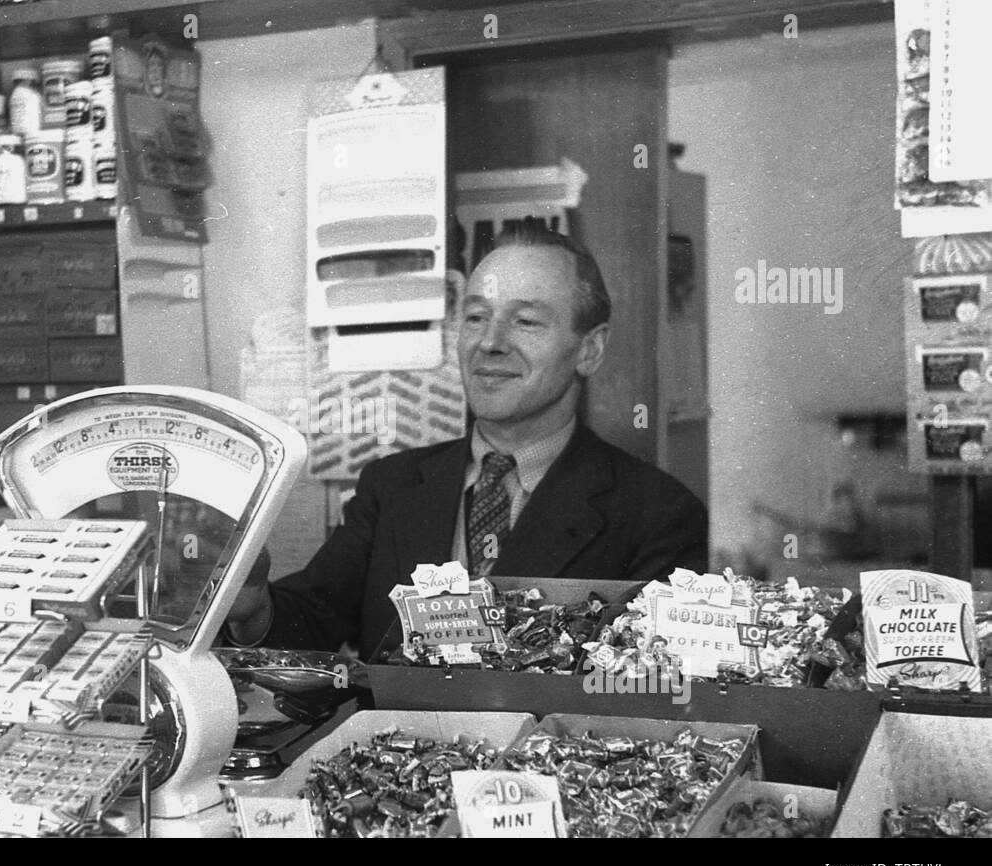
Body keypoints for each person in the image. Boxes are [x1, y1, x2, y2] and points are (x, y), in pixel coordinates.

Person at [227, 226, 708, 661]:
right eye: (476, 317)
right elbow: (311, 619)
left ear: (590, 349)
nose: (490, 343)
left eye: (526, 322)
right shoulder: (390, 486)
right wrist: (252, 605)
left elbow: (650, 689)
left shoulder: (658, 515)